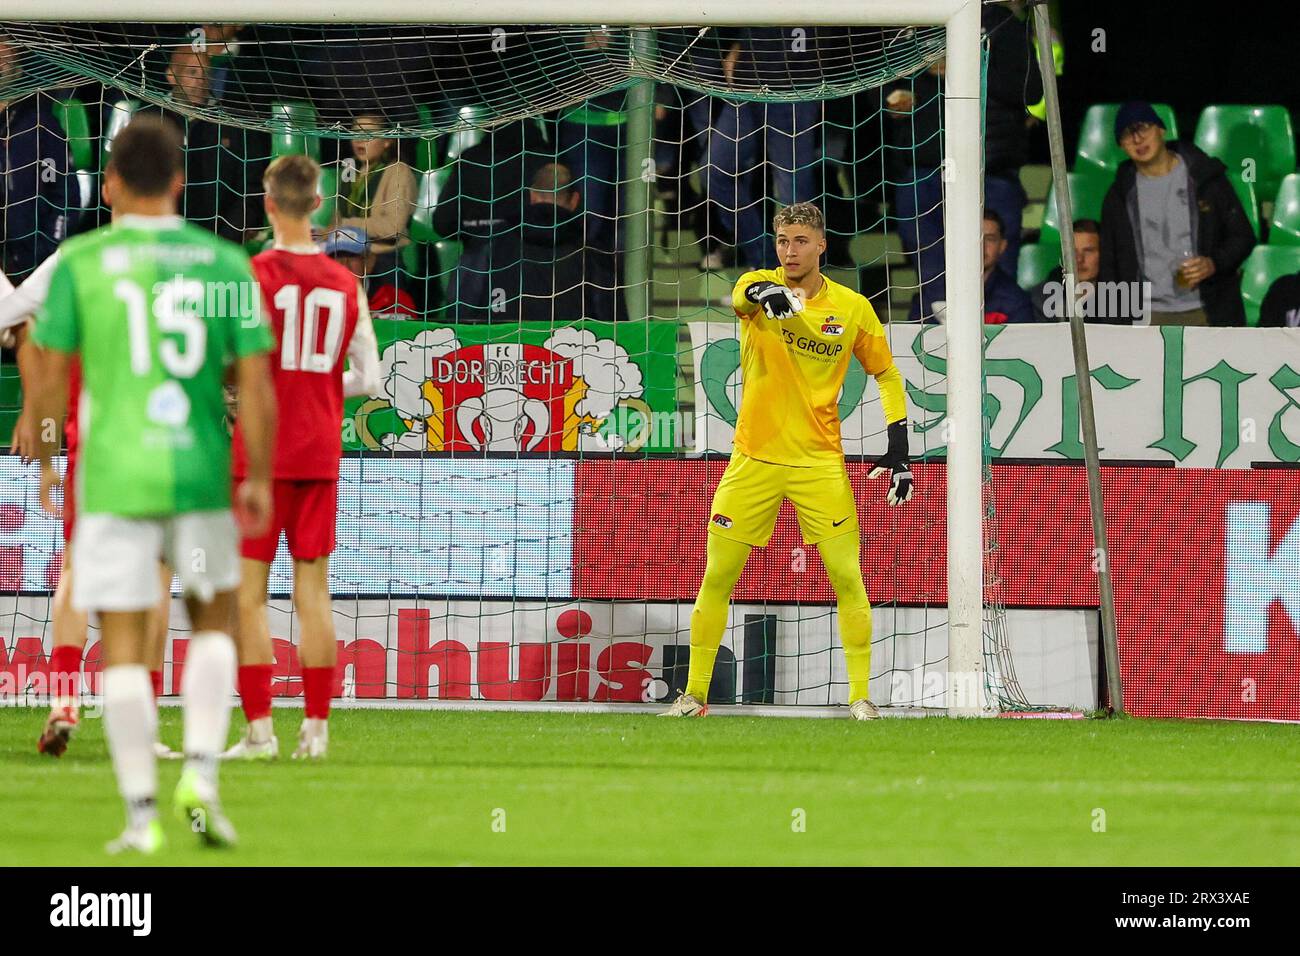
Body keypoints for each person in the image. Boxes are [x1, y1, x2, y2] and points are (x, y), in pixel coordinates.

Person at [30, 115, 277, 854]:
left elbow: (42, 369)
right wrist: (257, 472)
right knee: (210, 617)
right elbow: (256, 382)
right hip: (198, 482)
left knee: (126, 647)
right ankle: (201, 773)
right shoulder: (226, 265)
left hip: (113, 486)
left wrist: (46, 458)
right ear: (179, 181)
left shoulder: (81, 262)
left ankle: (141, 818)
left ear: (108, 183)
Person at [659, 202, 912, 721]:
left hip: (819, 462)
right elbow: (742, 293)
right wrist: (765, 292)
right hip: (753, 459)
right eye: (782, 240)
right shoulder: (758, 287)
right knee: (716, 577)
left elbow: (886, 375)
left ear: (822, 244)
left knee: (847, 578)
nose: (790, 250)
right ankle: (694, 697)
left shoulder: (853, 308)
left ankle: (861, 698)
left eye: (800, 240)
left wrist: (899, 446)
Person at [223, 153, 380, 761]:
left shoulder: (251, 274)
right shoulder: (347, 284)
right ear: (318, 204)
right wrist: (319, 387)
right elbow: (369, 376)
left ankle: (259, 732)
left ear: (268, 203)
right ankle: (316, 730)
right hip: (319, 450)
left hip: (258, 452)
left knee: (249, 596)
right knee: (314, 592)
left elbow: (231, 365)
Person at [0, 251, 176, 761]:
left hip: (91, 449)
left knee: (77, 568)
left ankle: (64, 699)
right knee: (157, 579)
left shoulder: (70, 263)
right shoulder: (186, 258)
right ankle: (144, 726)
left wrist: (48, 445)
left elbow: (33, 342)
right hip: (160, 444)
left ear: (110, 187)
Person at [1099, 100, 1255, 327]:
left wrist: (1213, 263)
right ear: (1121, 146)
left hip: (1207, 312)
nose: (1137, 139)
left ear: (1160, 129)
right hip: (1145, 315)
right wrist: (1114, 323)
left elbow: (1243, 237)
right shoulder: (1119, 195)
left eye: (1142, 127)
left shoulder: (1207, 179)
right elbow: (1109, 265)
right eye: (1126, 134)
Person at [151, 45, 267, 245]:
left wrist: (224, 242)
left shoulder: (232, 124)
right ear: (171, 75)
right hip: (160, 241)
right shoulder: (149, 121)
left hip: (221, 242)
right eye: (192, 72)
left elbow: (249, 191)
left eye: (207, 74)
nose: (201, 81)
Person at [486, 163, 625, 324]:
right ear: (574, 200)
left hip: (504, 345)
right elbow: (614, 321)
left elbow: (464, 303)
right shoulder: (595, 255)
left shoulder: (493, 244)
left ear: (532, 196)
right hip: (573, 346)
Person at [0, 37, 81, 282]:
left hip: (30, 264)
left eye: (6, 56)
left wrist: (45, 251)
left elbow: (65, 195)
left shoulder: (40, 126)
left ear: (19, 67)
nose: (0, 63)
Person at [326, 111, 416, 296]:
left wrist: (346, 226)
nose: (359, 140)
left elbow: (393, 227)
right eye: (355, 133)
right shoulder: (349, 168)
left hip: (382, 258)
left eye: (367, 135)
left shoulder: (398, 171)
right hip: (344, 253)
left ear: (386, 141)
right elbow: (337, 217)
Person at [1031, 219, 1123, 323]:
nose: (1079, 259)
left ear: (1105, 253)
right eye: (1072, 251)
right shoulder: (1042, 298)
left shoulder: (1122, 297)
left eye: (1088, 251)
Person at [977, 210, 1034, 325]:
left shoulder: (1016, 301)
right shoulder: (939, 289)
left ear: (1002, 246)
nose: (981, 246)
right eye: (976, 237)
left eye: (990, 239)